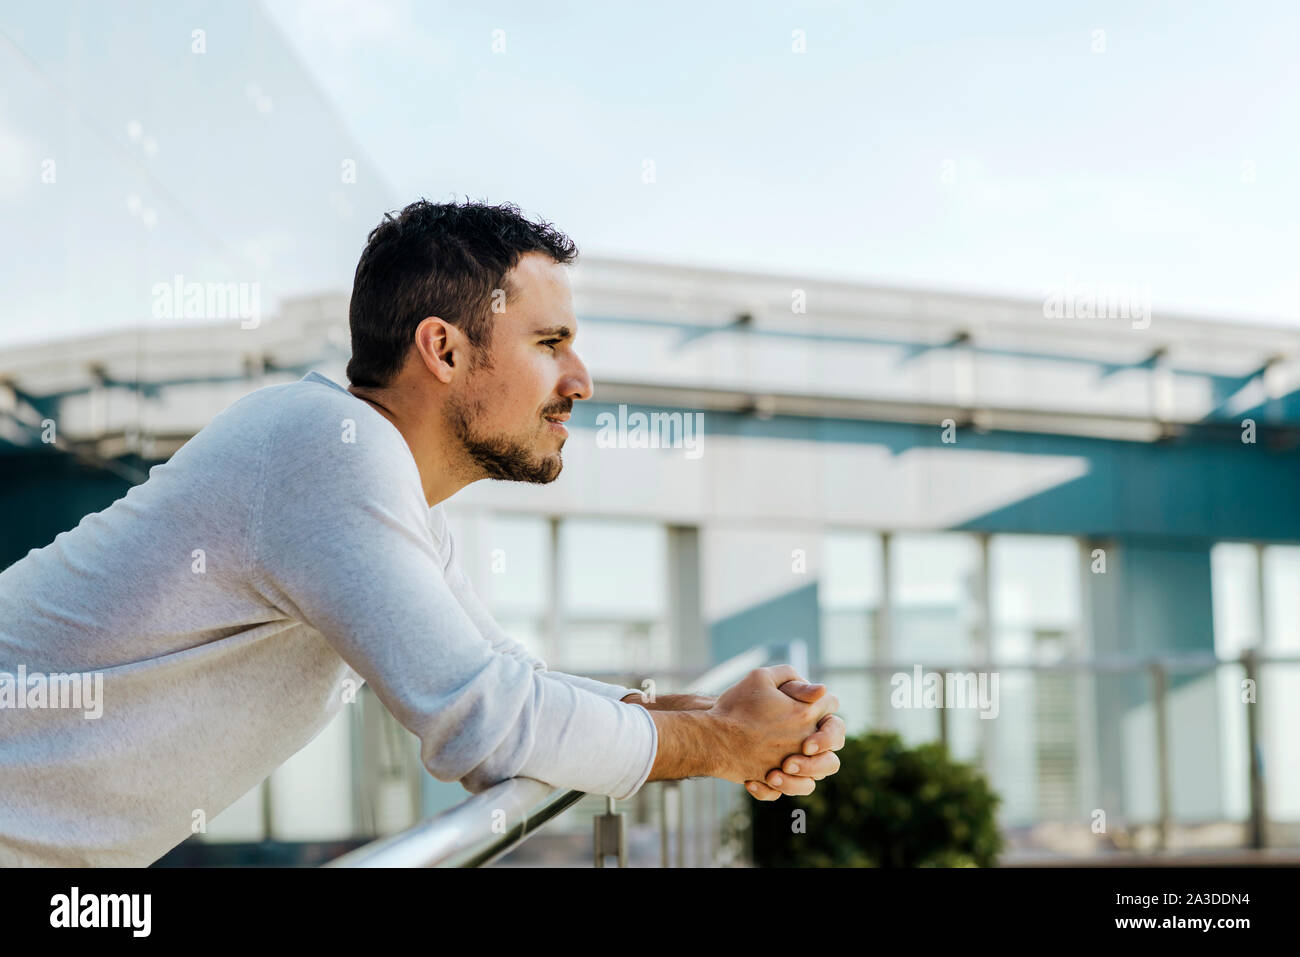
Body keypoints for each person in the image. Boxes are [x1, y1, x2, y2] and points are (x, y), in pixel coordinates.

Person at [0, 198, 844, 867]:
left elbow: (507, 684)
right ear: (441, 348)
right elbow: (486, 721)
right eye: (550, 343)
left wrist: (713, 712)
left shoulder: (380, 484)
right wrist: (722, 743)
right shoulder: (326, 449)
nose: (581, 381)